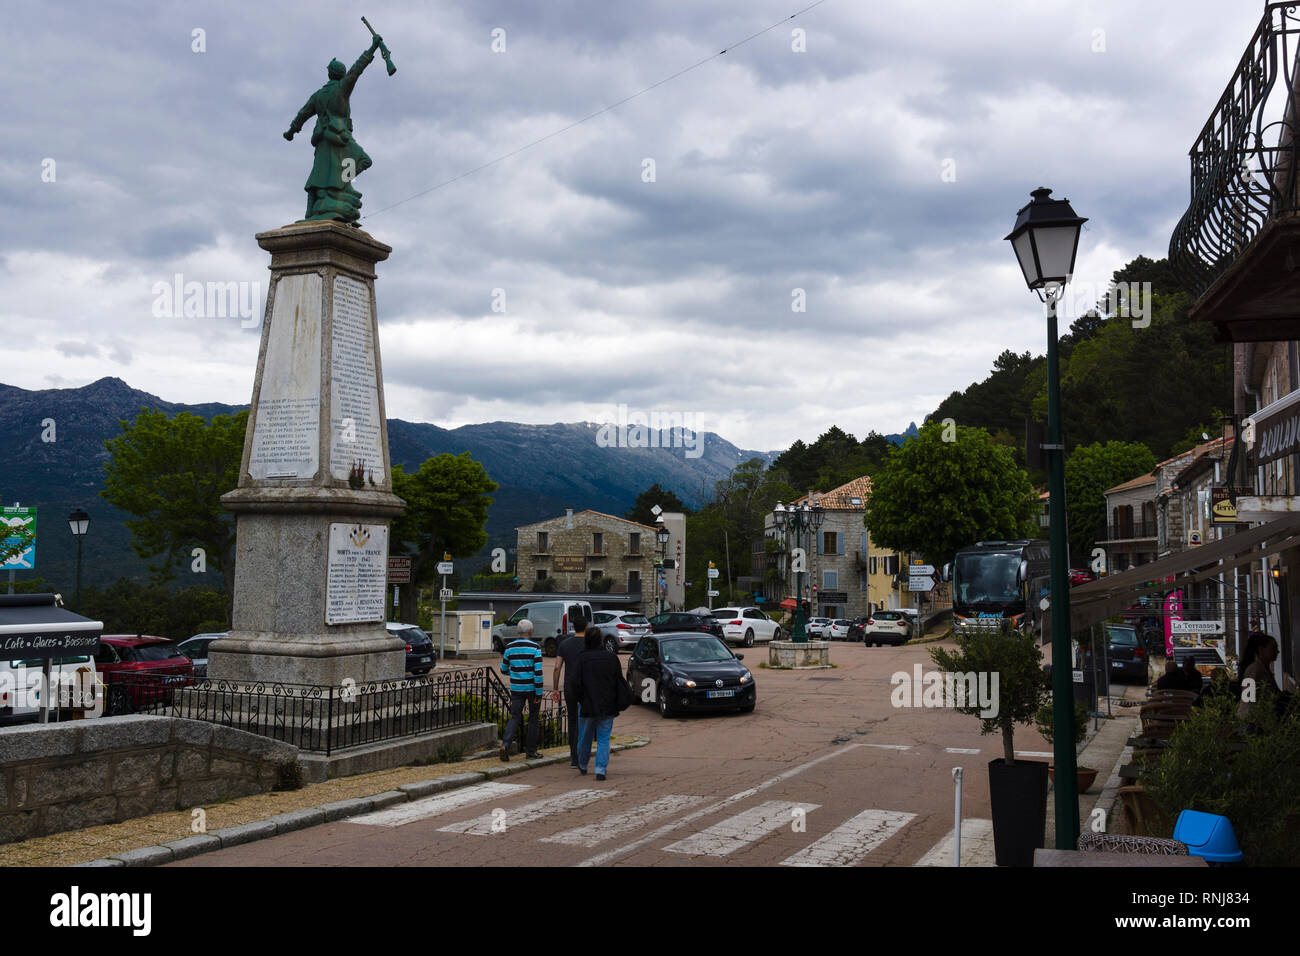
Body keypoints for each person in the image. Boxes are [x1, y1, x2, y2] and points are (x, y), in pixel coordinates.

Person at [283, 34, 384, 223]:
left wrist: (291, 131)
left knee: (323, 171)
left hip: (323, 138)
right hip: (340, 137)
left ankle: (340, 190)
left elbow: (302, 114)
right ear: (341, 75)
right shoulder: (341, 89)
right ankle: (341, 187)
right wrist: (372, 49)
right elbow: (356, 71)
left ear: (329, 73)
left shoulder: (319, 94)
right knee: (362, 160)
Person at [573, 627, 632, 780]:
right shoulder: (611, 658)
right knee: (604, 738)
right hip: (607, 704)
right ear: (601, 641)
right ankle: (600, 770)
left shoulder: (582, 658)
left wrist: (580, 698)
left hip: (587, 704)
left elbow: (575, 682)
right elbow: (618, 680)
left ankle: (583, 764)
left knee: (585, 737)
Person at [499, 619, 544, 761]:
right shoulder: (535, 648)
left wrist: (514, 673)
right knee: (533, 718)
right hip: (531, 688)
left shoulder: (509, 648)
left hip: (516, 688)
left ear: (517, 631)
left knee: (515, 716)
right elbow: (538, 673)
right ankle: (530, 751)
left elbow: (503, 669)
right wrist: (538, 692)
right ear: (531, 631)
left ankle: (505, 744)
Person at [553, 613, 589, 769]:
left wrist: (555, 688)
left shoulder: (565, 644)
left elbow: (557, 667)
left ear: (573, 627)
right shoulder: (590, 643)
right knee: (587, 720)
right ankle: (583, 754)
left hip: (570, 686)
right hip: (587, 686)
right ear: (586, 627)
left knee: (572, 720)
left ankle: (574, 757)